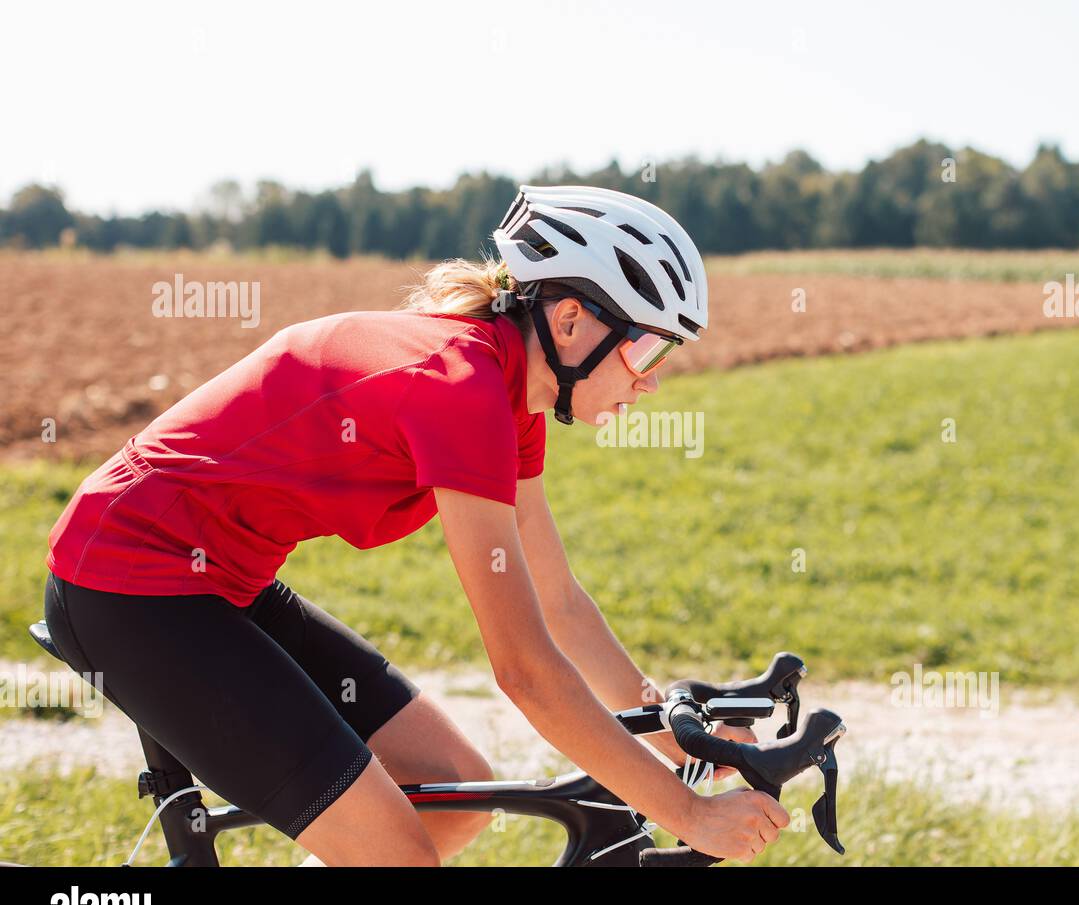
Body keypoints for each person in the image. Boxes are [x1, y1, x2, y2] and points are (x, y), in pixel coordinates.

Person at [42, 184, 788, 866]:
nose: (652, 377)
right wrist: (687, 811)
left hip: (221, 580)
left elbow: (559, 604)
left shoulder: (508, 396)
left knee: (455, 792)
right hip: (129, 585)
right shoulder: (459, 390)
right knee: (400, 858)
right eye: (647, 345)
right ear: (570, 322)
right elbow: (526, 671)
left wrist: (680, 740)